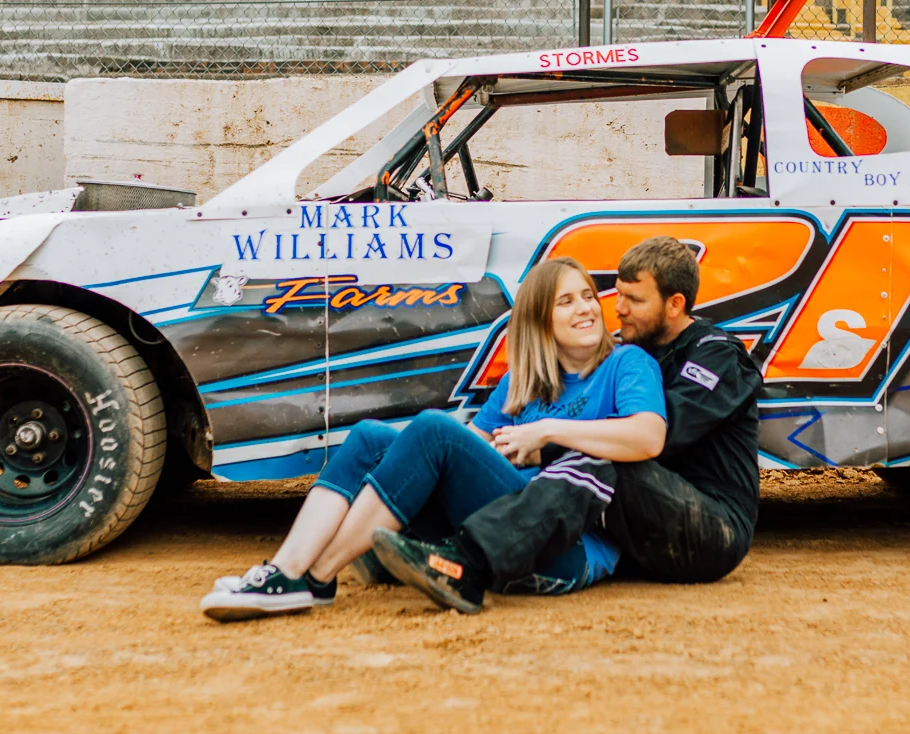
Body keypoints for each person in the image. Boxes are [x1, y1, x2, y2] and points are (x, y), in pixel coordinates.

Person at [199, 256, 666, 620]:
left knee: (432, 429)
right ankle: (285, 568)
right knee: (368, 438)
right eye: (566, 302)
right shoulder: (525, 379)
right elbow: (477, 449)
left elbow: (648, 437)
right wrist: (501, 446)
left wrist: (545, 431)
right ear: (540, 321)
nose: (585, 308)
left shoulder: (626, 364)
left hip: (565, 549)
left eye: (587, 296)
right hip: (498, 525)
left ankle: (316, 576)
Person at [370, 236, 761, 614]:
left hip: (711, 528)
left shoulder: (715, 357)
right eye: (618, 294)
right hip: (640, 527)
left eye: (634, 300)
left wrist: (545, 439)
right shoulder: (636, 351)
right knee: (596, 457)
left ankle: (467, 564)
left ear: (674, 305)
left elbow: (657, 434)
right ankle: (414, 539)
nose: (618, 308)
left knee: (604, 460)